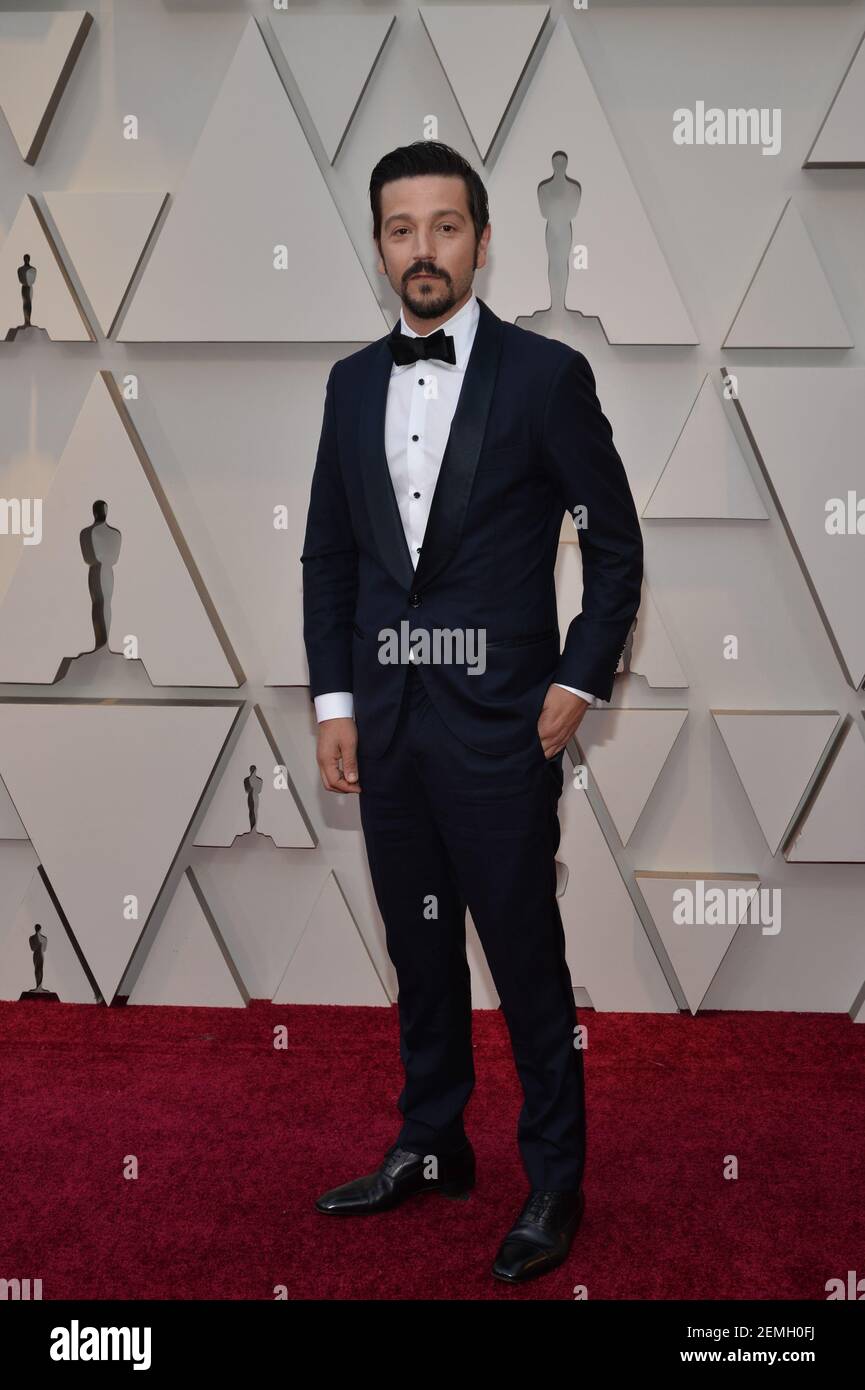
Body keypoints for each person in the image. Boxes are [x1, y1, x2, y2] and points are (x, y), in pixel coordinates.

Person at [300, 140, 643, 1284]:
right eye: (401, 229)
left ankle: (554, 1177)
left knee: (523, 953)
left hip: (501, 727)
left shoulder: (545, 377)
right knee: (421, 945)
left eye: (445, 227)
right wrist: (336, 701)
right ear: (380, 244)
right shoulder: (351, 384)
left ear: (483, 240)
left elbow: (614, 541)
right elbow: (331, 557)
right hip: (385, 728)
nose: (423, 250)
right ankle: (433, 1142)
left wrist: (577, 679)